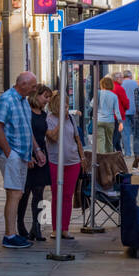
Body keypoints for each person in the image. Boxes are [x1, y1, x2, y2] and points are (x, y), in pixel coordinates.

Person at [44, 89, 82, 241]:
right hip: (55, 161)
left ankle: (65, 228)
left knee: (68, 196)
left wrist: (83, 158)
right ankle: (55, 228)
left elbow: (77, 139)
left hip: (73, 162)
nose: (66, 108)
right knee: (56, 196)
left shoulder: (71, 119)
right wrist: (60, 121)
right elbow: (52, 138)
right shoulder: (49, 119)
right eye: (63, 105)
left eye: (67, 105)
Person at [16, 87, 51, 242]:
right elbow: (25, 134)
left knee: (39, 192)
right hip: (29, 154)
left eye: (49, 97)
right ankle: (20, 225)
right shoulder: (27, 112)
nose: (47, 100)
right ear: (37, 96)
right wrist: (31, 153)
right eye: (45, 97)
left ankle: (36, 228)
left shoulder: (44, 114)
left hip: (42, 155)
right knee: (24, 192)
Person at [94, 75, 122, 153]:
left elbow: (92, 104)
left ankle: (102, 159)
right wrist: (120, 122)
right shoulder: (114, 96)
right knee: (109, 142)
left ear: (102, 84)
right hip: (110, 121)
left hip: (99, 120)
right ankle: (109, 159)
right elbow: (117, 111)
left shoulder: (98, 93)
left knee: (100, 141)